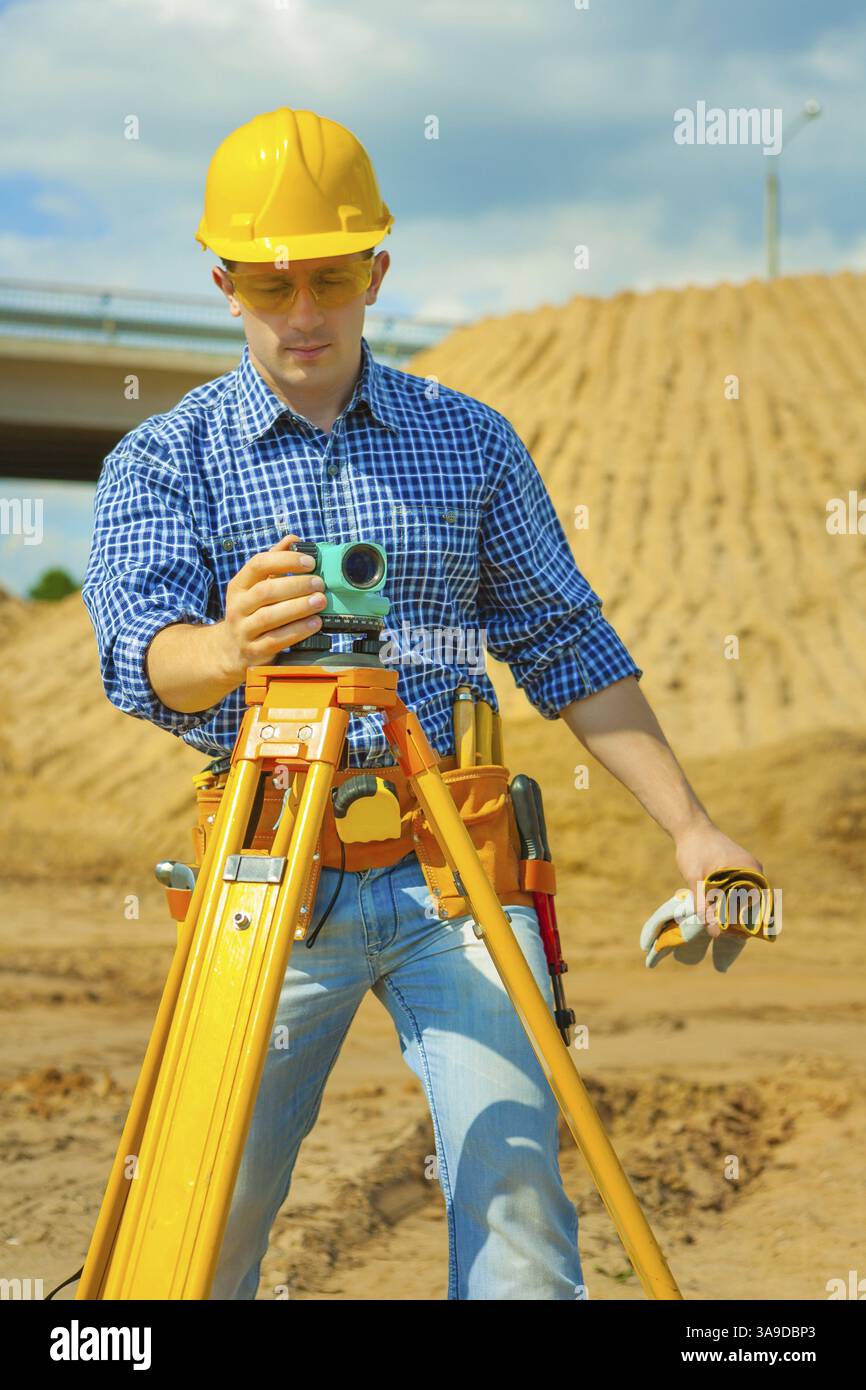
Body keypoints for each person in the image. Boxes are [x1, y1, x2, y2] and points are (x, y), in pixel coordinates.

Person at [81, 106, 762, 1301]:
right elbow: (140, 657)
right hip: (264, 873)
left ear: (376, 271)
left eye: (331, 277)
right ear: (224, 280)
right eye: (268, 280)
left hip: (453, 869)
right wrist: (232, 644)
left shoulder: (472, 443)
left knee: (515, 1189)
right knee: (202, 1212)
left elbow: (566, 647)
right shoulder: (164, 458)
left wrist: (691, 828)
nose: (301, 312)